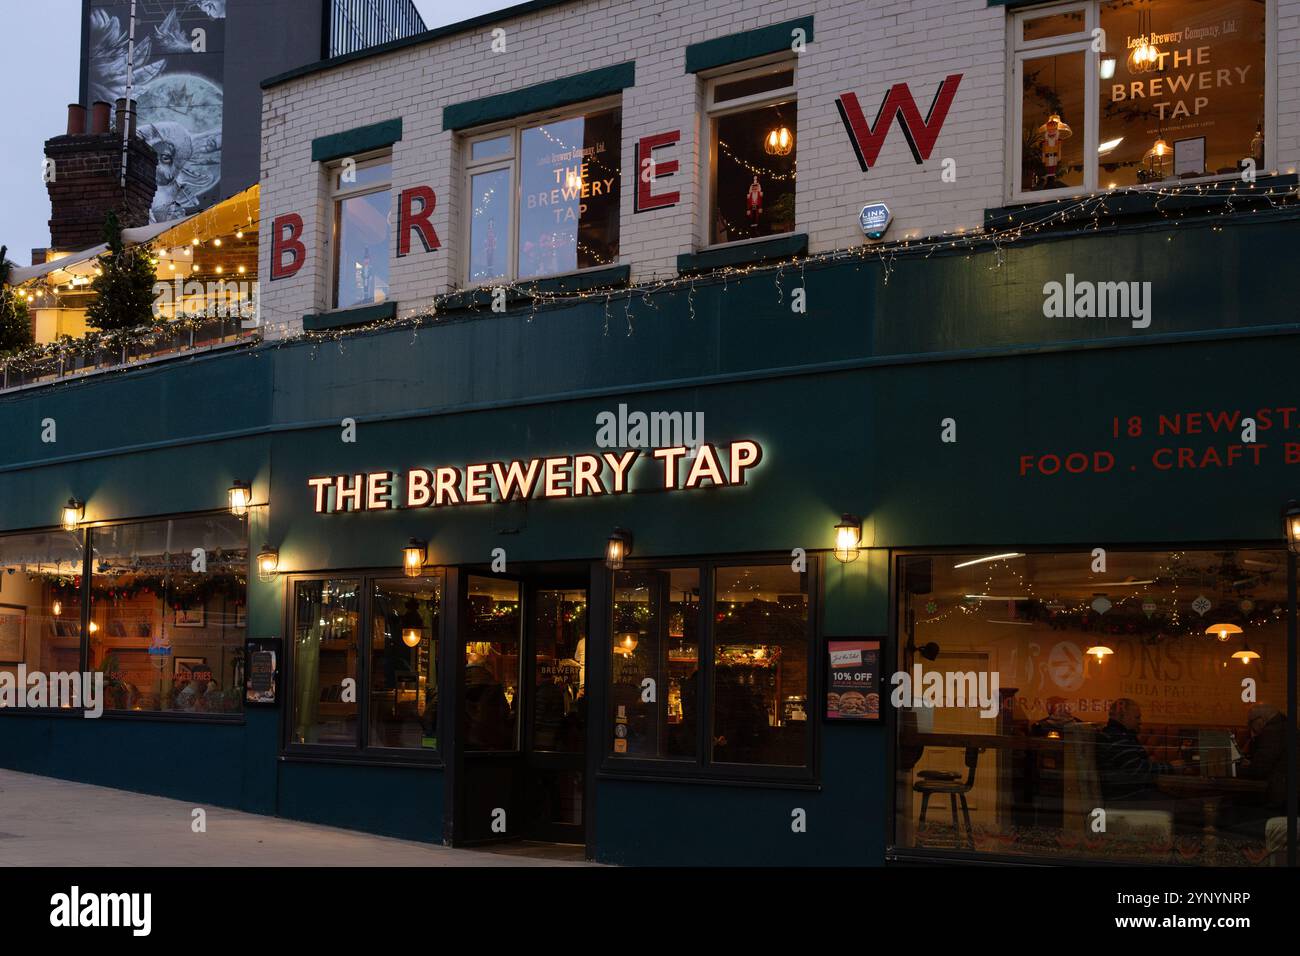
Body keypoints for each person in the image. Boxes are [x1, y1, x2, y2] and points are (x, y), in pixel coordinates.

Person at [1095, 698, 1177, 804]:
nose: (1140, 721)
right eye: (1137, 717)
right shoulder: (1117, 738)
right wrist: (1172, 767)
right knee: (1190, 810)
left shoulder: (1119, 735)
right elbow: (1138, 770)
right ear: (1123, 717)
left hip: (1129, 795)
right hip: (1126, 798)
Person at [1238, 704, 1287, 810]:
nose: (1251, 728)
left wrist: (1238, 769)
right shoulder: (1286, 726)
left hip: (1279, 795)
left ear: (1260, 720)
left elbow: (1259, 770)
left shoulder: (1272, 732)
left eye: (1251, 723)